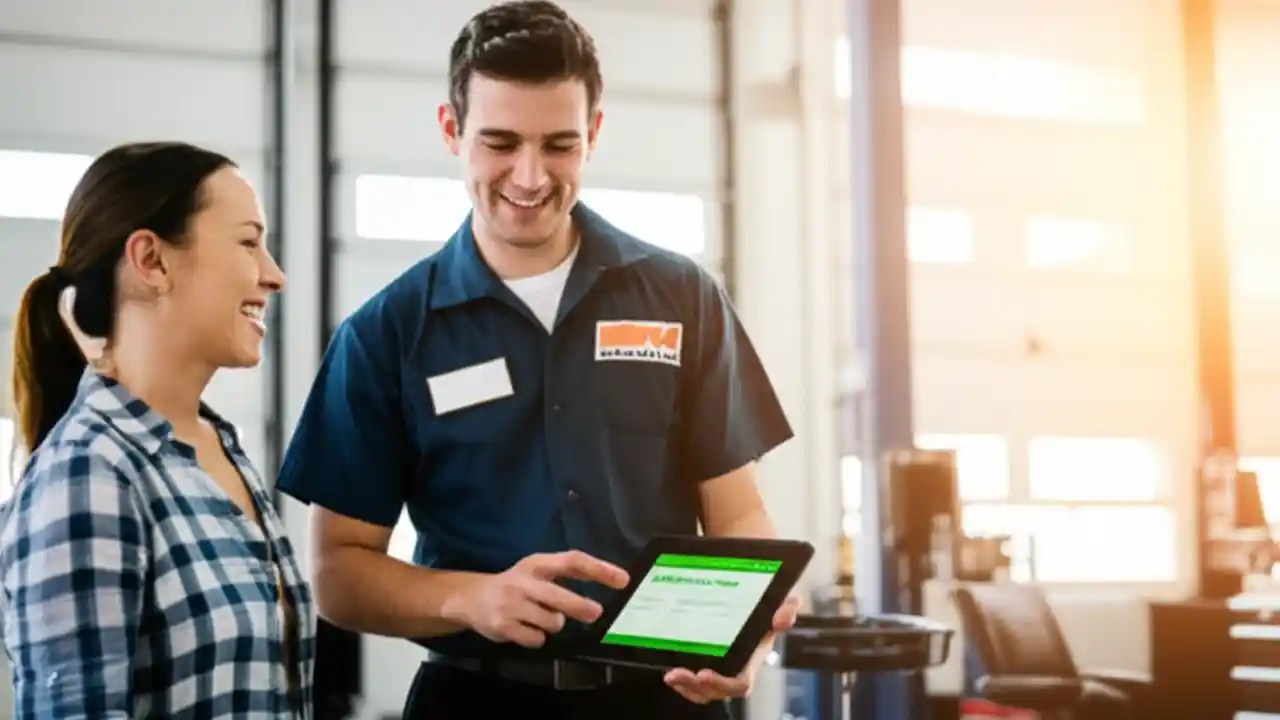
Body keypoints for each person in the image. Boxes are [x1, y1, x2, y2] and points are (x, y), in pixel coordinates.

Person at [276, 1, 795, 717]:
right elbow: (337, 571)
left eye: (559, 144)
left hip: (665, 702)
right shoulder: (386, 333)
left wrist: (747, 641)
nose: (529, 176)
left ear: (595, 134)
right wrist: (472, 596)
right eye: (499, 143)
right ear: (451, 130)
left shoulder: (681, 297)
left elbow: (738, 512)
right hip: (478, 699)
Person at [0, 141, 314, 718]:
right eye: (248, 242)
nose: (275, 275)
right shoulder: (87, 475)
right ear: (151, 260)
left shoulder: (218, 449)